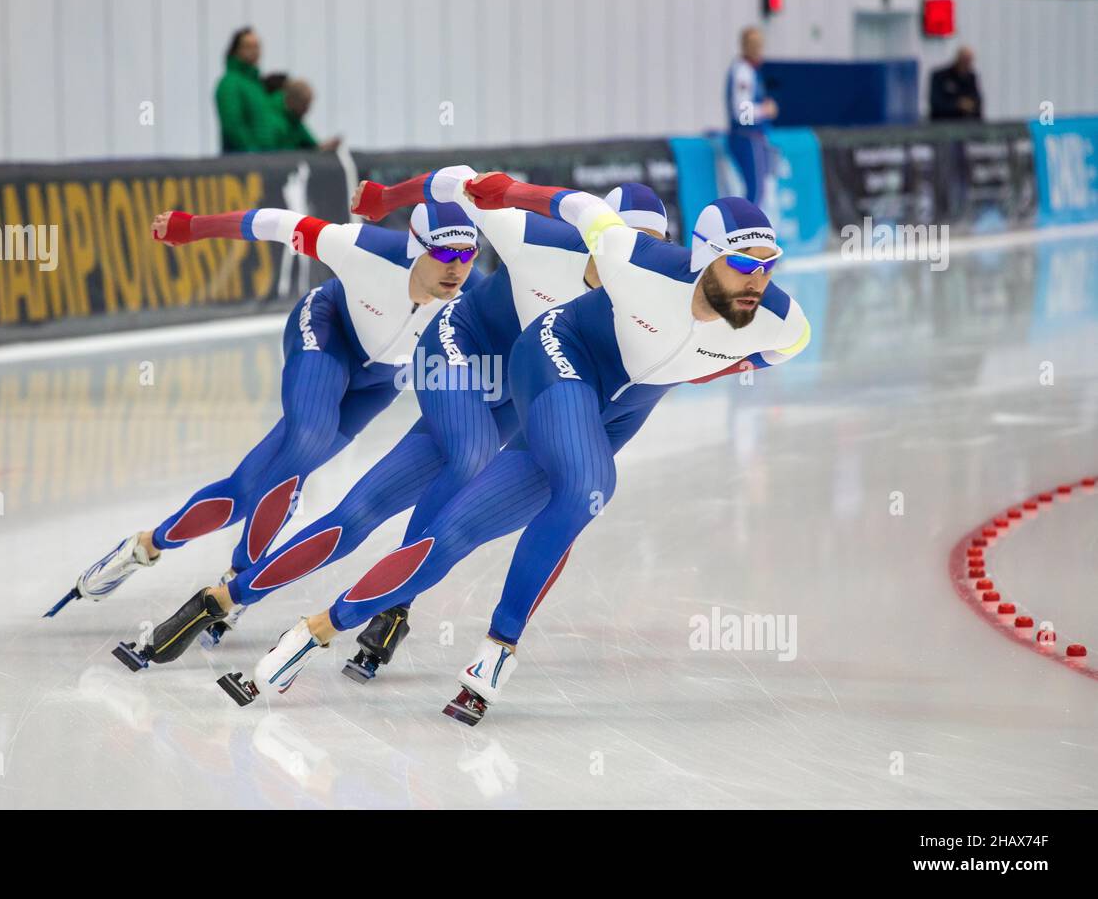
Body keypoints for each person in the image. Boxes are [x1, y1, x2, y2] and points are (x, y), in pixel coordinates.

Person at [220, 174, 811, 724]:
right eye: (742, 264)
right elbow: (569, 206)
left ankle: (312, 631)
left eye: (768, 266)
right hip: (559, 355)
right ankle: (500, 646)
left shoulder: (779, 318)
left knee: (457, 532)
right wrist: (479, 190)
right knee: (588, 485)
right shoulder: (631, 257)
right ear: (705, 256)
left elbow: (791, 345)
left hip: (623, 405)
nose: (758, 280)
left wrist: (705, 370)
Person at [113, 166, 669, 680]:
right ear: (595, 236)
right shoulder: (533, 238)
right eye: (624, 249)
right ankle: (377, 602)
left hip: (518, 393)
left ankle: (226, 598)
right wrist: (386, 199)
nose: (633, 267)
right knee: (472, 454)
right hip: (458, 348)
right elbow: (455, 182)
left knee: (363, 513)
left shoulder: (656, 301)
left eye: (653, 254)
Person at [44, 198, 480, 620]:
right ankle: (239, 579)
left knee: (250, 488)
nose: (456, 266)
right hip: (327, 332)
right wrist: (191, 227)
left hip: (381, 380)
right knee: (306, 441)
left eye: (468, 253)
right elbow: (273, 222)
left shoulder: (473, 295)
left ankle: (145, 546)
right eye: (443, 251)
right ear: (414, 246)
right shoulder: (362, 248)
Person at [725, 26, 778, 206]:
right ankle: (748, 231)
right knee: (755, 192)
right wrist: (765, 110)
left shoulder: (750, 71)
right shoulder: (743, 72)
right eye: (754, 45)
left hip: (753, 138)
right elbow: (742, 113)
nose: (758, 49)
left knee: (759, 191)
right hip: (747, 138)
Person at [215, 27, 279, 153]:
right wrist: (252, 152)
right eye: (248, 46)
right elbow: (232, 125)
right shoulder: (230, 83)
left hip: (266, 160)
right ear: (235, 51)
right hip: (243, 164)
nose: (254, 51)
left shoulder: (256, 85)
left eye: (257, 46)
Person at [929, 46, 983, 121]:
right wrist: (958, 104)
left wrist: (968, 105)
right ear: (958, 59)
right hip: (943, 123)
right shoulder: (940, 76)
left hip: (966, 124)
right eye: (965, 60)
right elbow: (936, 103)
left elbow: (977, 102)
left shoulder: (970, 78)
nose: (967, 64)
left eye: (969, 61)